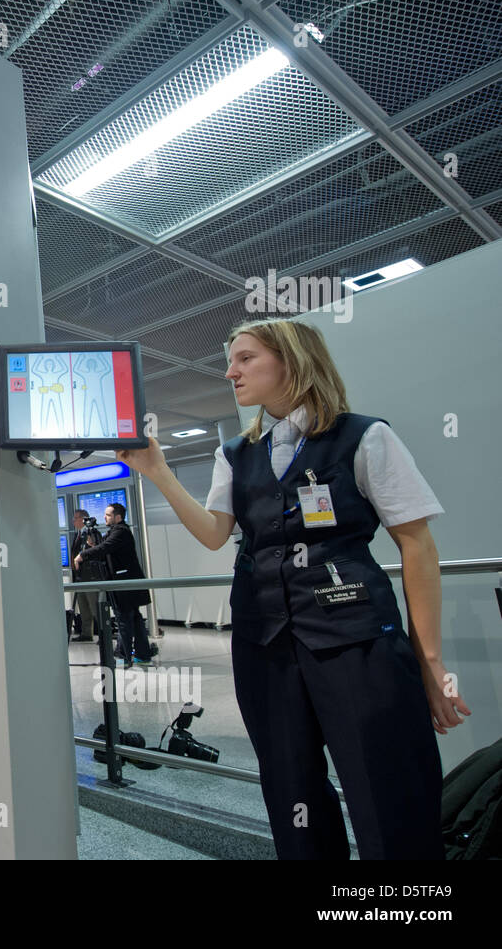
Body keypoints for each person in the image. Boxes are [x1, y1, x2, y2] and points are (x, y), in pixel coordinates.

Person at [117, 317, 470, 859]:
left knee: (386, 786)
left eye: (245, 358)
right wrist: (157, 472)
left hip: (357, 643)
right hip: (264, 645)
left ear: (292, 361)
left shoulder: (365, 436)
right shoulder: (236, 452)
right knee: (290, 788)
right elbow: (216, 535)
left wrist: (430, 660)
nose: (230, 371)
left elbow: (417, 546)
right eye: (231, 360)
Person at [73, 503, 153, 667]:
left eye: (108, 515)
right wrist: (93, 547)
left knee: (124, 619)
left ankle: (122, 656)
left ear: (118, 517)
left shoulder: (120, 532)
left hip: (123, 583)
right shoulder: (115, 532)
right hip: (126, 583)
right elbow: (105, 550)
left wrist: (83, 554)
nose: (105, 517)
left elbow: (106, 547)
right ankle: (142, 654)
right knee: (134, 619)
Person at [69, 509, 102, 641]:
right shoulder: (78, 535)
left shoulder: (91, 533)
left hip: (90, 577)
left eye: (75, 518)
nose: (73, 520)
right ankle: (86, 633)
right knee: (83, 608)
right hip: (79, 577)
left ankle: (103, 635)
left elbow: (96, 550)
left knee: (95, 608)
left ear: (83, 519)